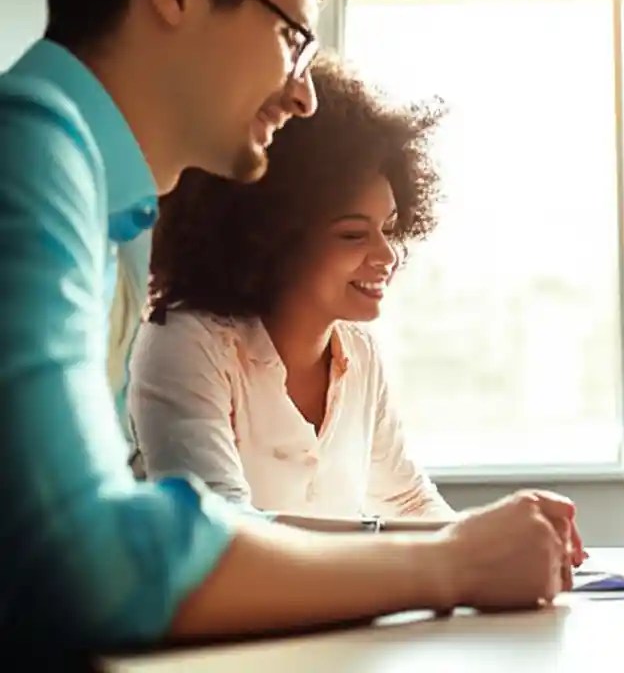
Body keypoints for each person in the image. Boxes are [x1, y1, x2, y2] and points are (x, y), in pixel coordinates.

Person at [0, 0, 580, 655]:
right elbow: (89, 558)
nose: (303, 95)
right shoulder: (29, 158)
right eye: (291, 38)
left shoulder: (108, 209)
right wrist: (450, 562)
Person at [130, 55, 455, 525]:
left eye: (388, 228)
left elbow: (409, 504)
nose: (387, 256)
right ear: (273, 237)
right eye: (353, 234)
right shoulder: (186, 344)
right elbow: (224, 533)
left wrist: (503, 540)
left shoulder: (358, 353)